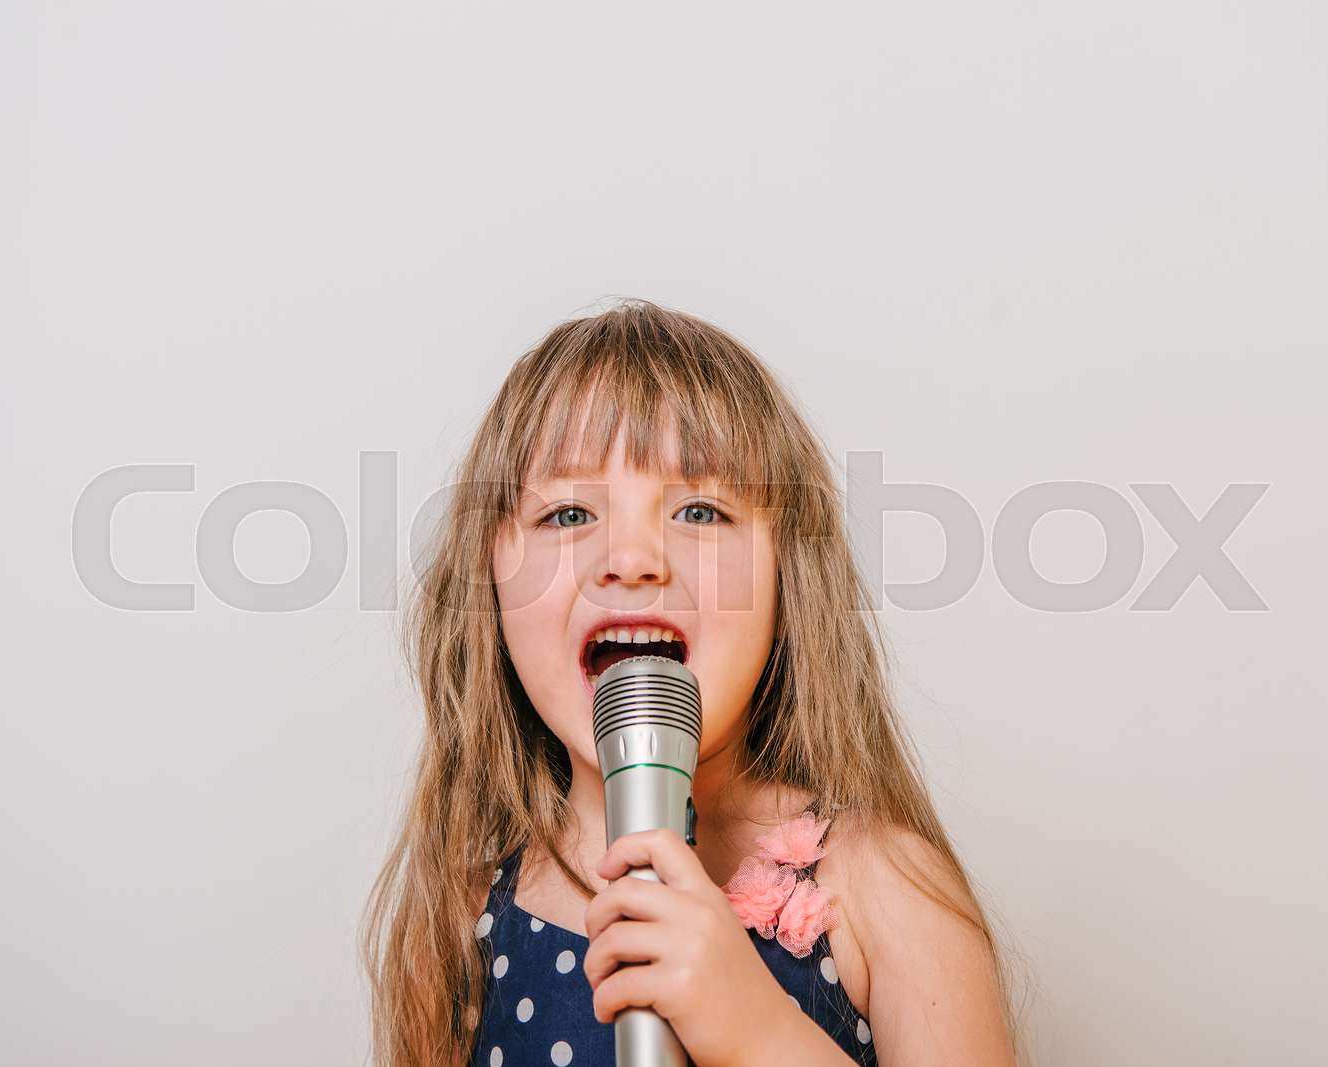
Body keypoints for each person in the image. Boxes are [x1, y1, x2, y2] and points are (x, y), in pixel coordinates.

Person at [362, 299, 1021, 1067]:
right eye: (568, 513)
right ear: (488, 586)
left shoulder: (886, 891)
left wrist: (760, 1035)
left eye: (700, 510)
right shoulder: (461, 914)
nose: (632, 559)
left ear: (789, 579)